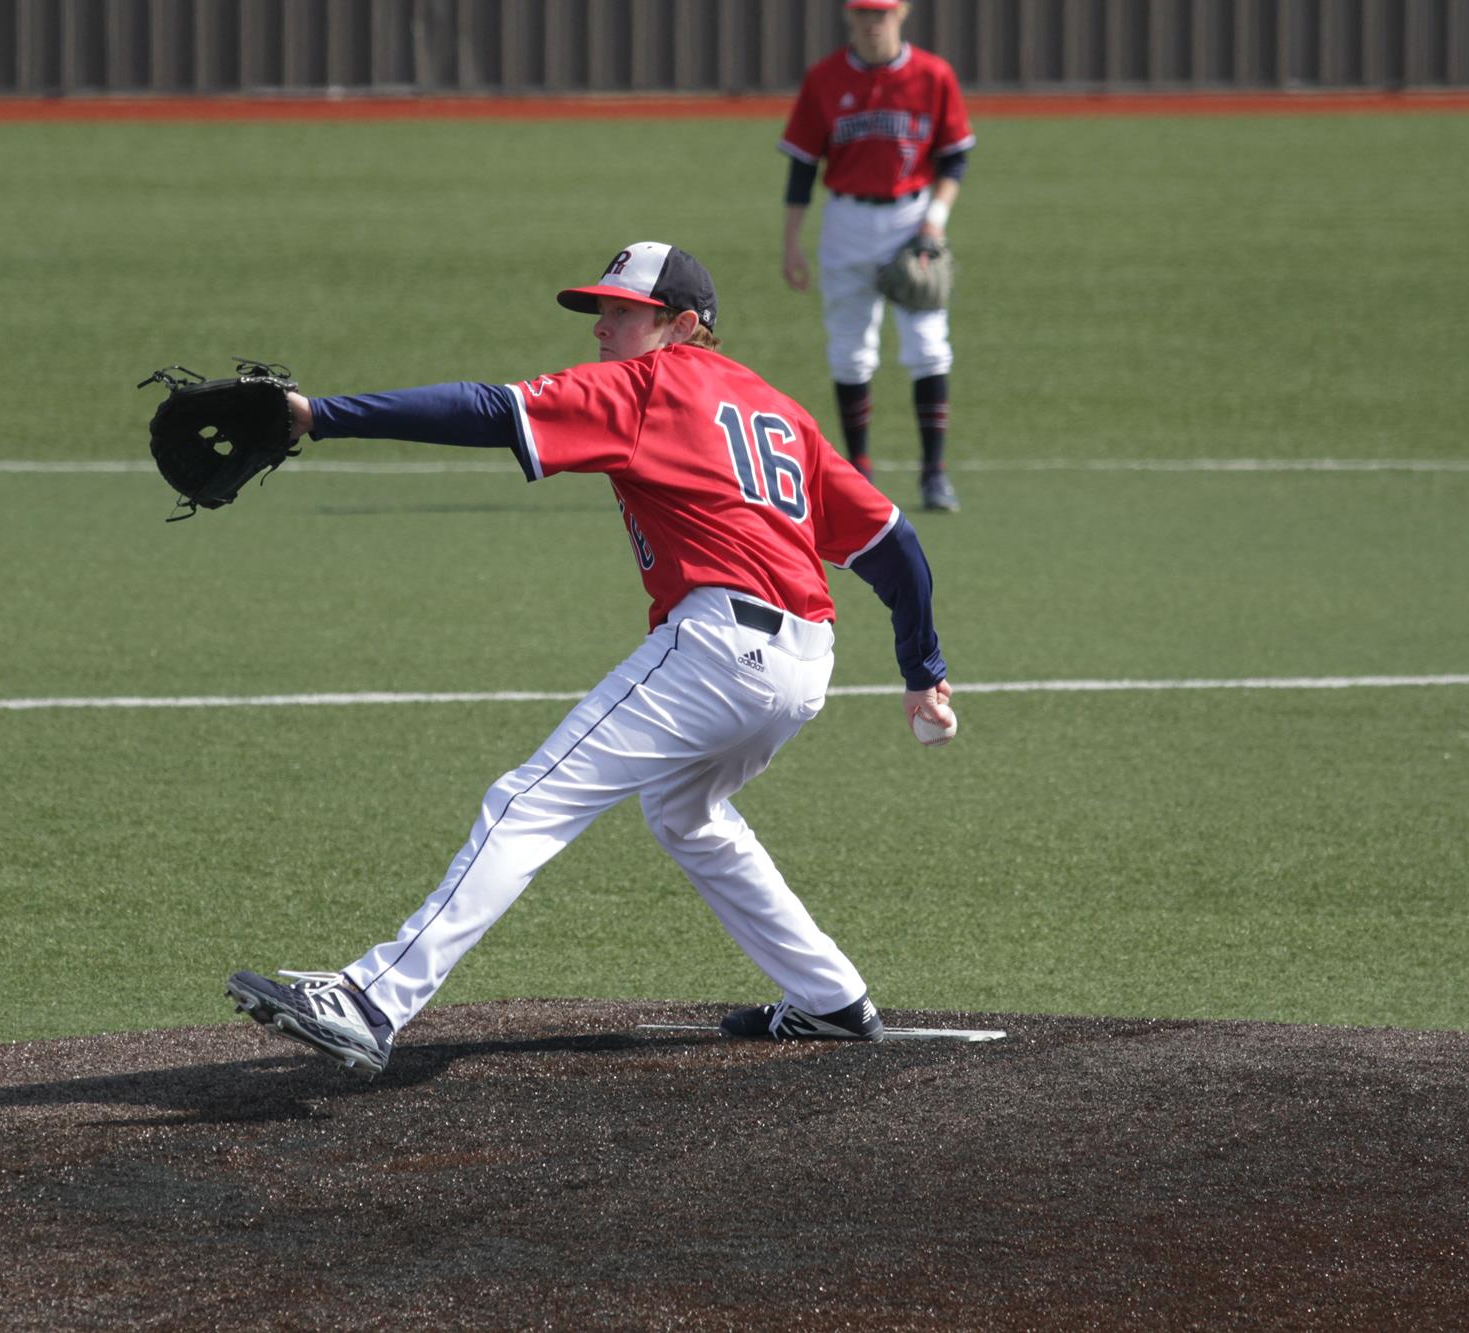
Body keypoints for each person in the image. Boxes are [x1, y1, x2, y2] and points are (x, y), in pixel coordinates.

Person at [225, 241, 954, 1076]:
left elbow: (488, 409)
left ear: (681, 325)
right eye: (600, 310)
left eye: (621, 313)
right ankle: (831, 999)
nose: (602, 328)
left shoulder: (651, 384)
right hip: (803, 665)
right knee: (687, 815)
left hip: (717, 647)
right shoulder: (780, 411)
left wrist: (321, 414)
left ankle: (370, 998)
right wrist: (921, 670)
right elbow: (895, 545)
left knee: (527, 798)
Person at [779, 0, 975, 512]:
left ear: (902, 13)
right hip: (845, 219)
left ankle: (934, 473)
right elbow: (802, 166)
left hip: (911, 219)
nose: (872, 22)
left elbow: (955, 156)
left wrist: (936, 220)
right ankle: (860, 473)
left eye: (881, 12)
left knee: (929, 345)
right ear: (850, 17)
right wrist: (791, 242)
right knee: (849, 349)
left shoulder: (933, 75)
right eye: (864, 12)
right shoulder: (824, 78)